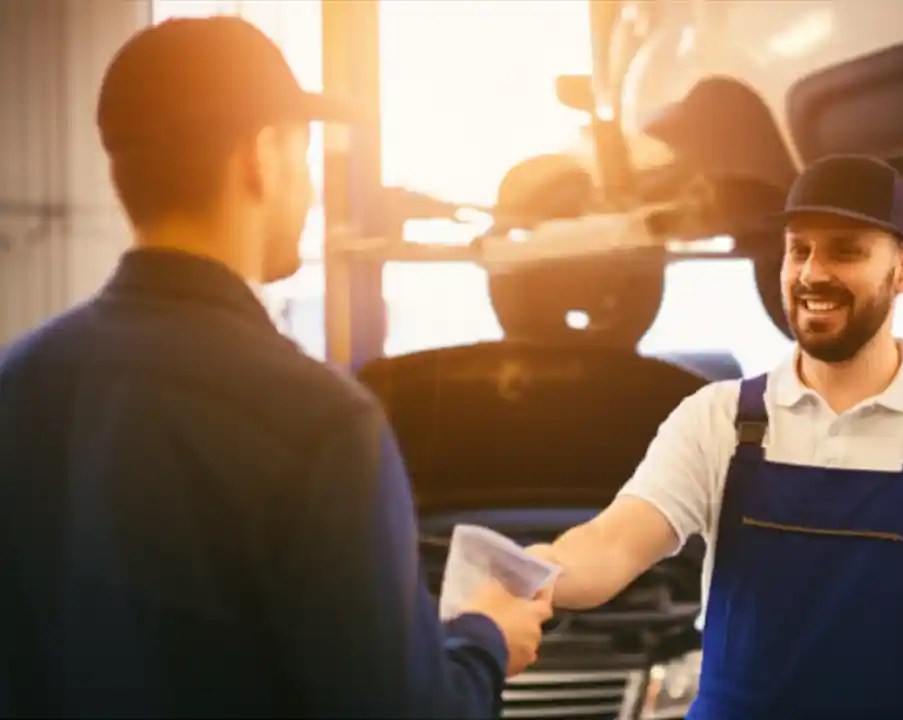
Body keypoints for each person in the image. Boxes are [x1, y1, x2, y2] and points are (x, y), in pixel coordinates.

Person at [0, 16, 550, 718]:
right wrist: (484, 640)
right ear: (262, 158)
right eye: (304, 155)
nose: (310, 189)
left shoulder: (16, 384)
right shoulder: (317, 425)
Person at [528, 154, 903, 719]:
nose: (811, 273)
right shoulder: (720, 420)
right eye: (798, 248)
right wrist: (529, 574)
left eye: (845, 250)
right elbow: (613, 544)